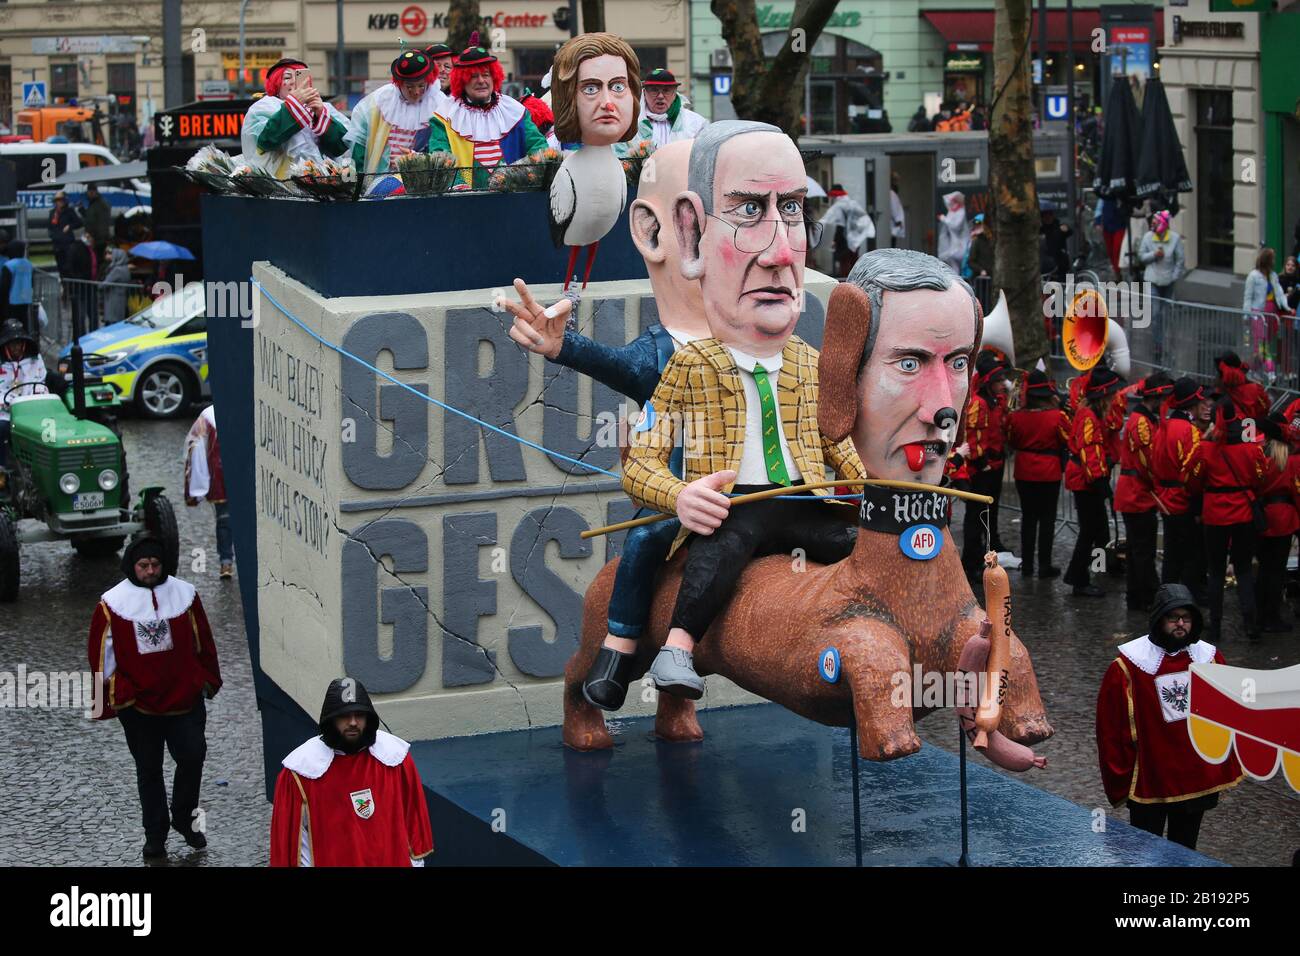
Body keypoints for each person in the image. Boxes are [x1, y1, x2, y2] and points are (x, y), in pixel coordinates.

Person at [621, 120, 865, 697]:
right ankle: (677, 648)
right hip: (740, 508)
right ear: (689, 233)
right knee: (728, 543)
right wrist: (680, 495)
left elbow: (834, 440)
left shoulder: (809, 361)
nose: (782, 252)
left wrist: (868, 486)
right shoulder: (690, 365)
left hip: (805, 503)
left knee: (872, 542)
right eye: (750, 211)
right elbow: (639, 461)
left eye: (794, 212)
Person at [503, 140, 712, 710]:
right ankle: (618, 648)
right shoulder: (665, 348)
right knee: (645, 539)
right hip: (685, 491)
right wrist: (561, 346)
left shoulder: (771, 344)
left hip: (757, 486)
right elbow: (617, 366)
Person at [87, 537, 221, 858]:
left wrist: (206, 679)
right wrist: (108, 698)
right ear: (132, 567)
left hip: (184, 700)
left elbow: (203, 639)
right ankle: (155, 834)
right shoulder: (112, 603)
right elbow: (100, 655)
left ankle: (185, 818)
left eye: (155, 565)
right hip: (139, 707)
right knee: (148, 770)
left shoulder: (185, 595)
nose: (150, 571)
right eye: (143, 566)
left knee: (193, 756)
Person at [1096, 583, 1243, 850]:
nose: (1180, 625)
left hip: (1195, 777)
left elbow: (1227, 715)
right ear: (1158, 619)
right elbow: (1111, 730)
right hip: (1151, 780)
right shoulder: (1128, 666)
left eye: (1186, 619)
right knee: (1143, 850)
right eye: (1173, 618)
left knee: (1186, 849)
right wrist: (1121, 775)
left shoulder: (1209, 658)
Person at [270, 678, 434, 867]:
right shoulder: (301, 771)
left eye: (359, 715)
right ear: (331, 720)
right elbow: (296, 844)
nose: (353, 722)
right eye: (344, 716)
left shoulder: (394, 758)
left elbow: (411, 823)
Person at [425, 33, 548, 190]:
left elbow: (538, 146)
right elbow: (441, 157)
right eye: (474, 76)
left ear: (494, 77)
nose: (481, 81)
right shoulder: (444, 116)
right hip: (463, 203)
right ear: (462, 80)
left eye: (486, 74)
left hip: (512, 199)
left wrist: (526, 177)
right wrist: (457, 186)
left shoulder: (514, 111)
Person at [1201, 397, 1273, 642]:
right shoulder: (1250, 446)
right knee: (1243, 570)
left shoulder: (1206, 447)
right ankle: (1250, 625)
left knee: (1216, 571)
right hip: (1243, 513)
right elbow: (1261, 477)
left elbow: (1193, 478)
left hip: (1214, 514)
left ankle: (1215, 626)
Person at [1115, 375, 1174, 611]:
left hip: (1137, 491)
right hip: (1137, 493)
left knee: (1136, 549)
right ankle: (1148, 596)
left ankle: (1136, 596)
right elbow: (1147, 461)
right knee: (1142, 550)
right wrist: (1159, 484)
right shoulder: (1141, 422)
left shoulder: (1143, 419)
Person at [1065, 366, 1123, 597]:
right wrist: (1101, 482)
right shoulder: (1088, 416)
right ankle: (1078, 578)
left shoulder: (1090, 413)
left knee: (1097, 529)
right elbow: (1090, 451)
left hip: (1088, 478)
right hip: (1086, 480)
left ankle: (1096, 568)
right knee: (1089, 531)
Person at [1007, 370, 1070, 578]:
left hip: (1024, 470)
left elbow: (1012, 441)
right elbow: (1067, 438)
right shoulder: (1057, 416)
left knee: (1028, 518)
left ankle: (1027, 566)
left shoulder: (1015, 417)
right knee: (1047, 519)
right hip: (1049, 472)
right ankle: (1044, 565)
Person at [240, 58, 350, 178]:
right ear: (276, 83)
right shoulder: (263, 107)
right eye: (287, 77)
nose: (294, 82)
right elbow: (264, 141)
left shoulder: (325, 107)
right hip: (281, 187)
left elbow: (344, 146)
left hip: (325, 186)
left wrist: (320, 115)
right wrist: (293, 107)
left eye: (299, 77)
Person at [1152, 378, 1210, 602]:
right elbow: (1194, 472)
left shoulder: (1162, 427)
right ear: (1193, 404)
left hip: (1164, 498)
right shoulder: (1188, 430)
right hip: (1182, 498)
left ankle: (1165, 595)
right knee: (1189, 553)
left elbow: (1153, 462)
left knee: (1171, 553)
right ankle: (1185, 598)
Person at [348, 50, 447, 178]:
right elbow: (358, 145)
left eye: (421, 85)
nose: (416, 92)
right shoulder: (379, 102)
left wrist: (416, 160)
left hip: (423, 182)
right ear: (399, 84)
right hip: (379, 183)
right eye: (410, 86)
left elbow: (445, 151)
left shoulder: (438, 103)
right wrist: (356, 183)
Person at [962, 350, 1012, 578]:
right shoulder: (979, 403)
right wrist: (983, 463)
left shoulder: (994, 402)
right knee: (976, 517)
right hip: (982, 470)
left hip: (994, 466)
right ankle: (970, 563)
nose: (1004, 384)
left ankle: (988, 552)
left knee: (990, 513)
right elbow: (973, 436)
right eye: (1000, 380)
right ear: (989, 382)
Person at [1254, 415, 1298, 633]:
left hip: (1262, 517)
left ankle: (1260, 615)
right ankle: (1272, 617)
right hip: (1283, 518)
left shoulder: (1260, 457)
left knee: (1264, 569)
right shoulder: (1289, 461)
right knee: (1276, 571)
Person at [184, 405, 233, 580]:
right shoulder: (208, 415)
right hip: (220, 477)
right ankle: (226, 560)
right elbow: (196, 445)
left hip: (227, 476)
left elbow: (194, 444)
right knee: (224, 520)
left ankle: (229, 561)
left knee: (226, 521)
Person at [614, 68, 706, 156]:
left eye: (666, 91)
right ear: (644, 92)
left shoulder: (696, 123)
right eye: (654, 90)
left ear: (674, 93)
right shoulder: (628, 122)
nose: (660, 96)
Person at [1137, 210, 1186, 364]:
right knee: (1156, 313)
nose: (1152, 224)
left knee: (1167, 313)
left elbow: (1180, 260)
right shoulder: (1147, 238)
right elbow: (1141, 256)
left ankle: (1169, 342)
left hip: (1168, 281)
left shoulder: (1175, 239)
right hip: (1152, 280)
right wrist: (1154, 255)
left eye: (1155, 222)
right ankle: (1158, 343)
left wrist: (1174, 276)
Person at [0, 319, 47, 468]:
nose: (17, 347)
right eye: (13, 344)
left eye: (19, 343)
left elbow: (41, 382)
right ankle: (3, 472)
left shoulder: (35, 359)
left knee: (49, 430)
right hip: (4, 413)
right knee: (1, 429)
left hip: (32, 411)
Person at [1242, 247, 1294, 378]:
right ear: (1267, 260)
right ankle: (1270, 370)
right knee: (1262, 344)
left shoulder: (1273, 275)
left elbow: (1280, 294)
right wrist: (1246, 315)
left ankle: (1250, 370)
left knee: (1262, 345)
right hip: (1258, 313)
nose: (1274, 261)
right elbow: (1247, 297)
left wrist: (1287, 307)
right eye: (1273, 259)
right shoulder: (1253, 276)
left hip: (1271, 313)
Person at [819, 184, 874, 278]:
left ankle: (846, 281)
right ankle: (856, 280)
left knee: (844, 261)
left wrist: (835, 240)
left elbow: (840, 225)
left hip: (844, 238)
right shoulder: (852, 203)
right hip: (856, 236)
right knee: (853, 259)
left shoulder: (839, 206)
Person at [0, 239, 35, 329]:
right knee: (23, 324)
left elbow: (5, 286)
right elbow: (32, 283)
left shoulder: (9, 265)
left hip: (12, 301)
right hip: (25, 299)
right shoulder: (29, 264)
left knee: (11, 326)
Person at [965, 212, 994, 309]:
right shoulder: (976, 241)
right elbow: (970, 261)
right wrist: (981, 270)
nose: (977, 226)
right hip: (981, 282)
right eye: (976, 224)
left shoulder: (995, 240)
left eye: (980, 224)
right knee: (981, 306)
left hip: (993, 282)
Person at [48, 192, 82, 274]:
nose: (59, 202)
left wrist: (69, 226)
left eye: (61, 200)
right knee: (60, 266)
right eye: (57, 201)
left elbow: (79, 223)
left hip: (68, 244)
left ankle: (69, 284)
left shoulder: (69, 211)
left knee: (69, 266)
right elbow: (50, 226)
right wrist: (52, 235)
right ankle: (63, 282)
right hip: (57, 244)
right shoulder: (52, 213)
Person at [936, 191, 969, 275]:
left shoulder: (961, 212)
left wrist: (944, 219)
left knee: (960, 264)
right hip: (952, 244)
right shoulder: (951, 212)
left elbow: (955, 226)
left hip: (960, 245)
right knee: (953, 267)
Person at [1040, 203, 1072, 283]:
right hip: (1044, 263)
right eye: (1045, 215)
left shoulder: (1058, 226)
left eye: (1050, 214)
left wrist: (1066, 228)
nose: (1048, 217)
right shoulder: (1039, 229)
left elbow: (1069, 231)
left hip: (1059, 263)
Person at [101, 246, 133, 326]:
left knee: (111, 323)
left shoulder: (117, 270)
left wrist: (98, 285)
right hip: (121, 299)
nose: (111, 257)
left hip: (113, 299)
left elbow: (105, 284)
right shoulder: (126, 269)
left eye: (113, 254)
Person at [82, 183, 112, 264]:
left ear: (96, 192)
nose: (90, 193)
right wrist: (83, 211)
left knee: (100, 261)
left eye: (92, 191)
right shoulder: (93, 203)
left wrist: (95, 239)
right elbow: (91, 218)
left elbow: (102, 224)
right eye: (89, 191)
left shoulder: (101, 204)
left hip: (99, 241)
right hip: (93, 240)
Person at [889, 173, 906, 247]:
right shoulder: (891, 193)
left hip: (892, 226)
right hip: (893, 227)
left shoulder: (891, 193)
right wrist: (898, 221)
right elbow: (894, 208)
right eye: (895, 181)